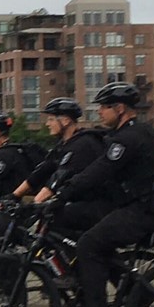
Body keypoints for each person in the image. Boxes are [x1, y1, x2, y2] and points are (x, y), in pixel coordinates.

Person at [51, 82, 154, 307]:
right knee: (101, 241)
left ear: (120, 108)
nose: (99, 113)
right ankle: (137, 297)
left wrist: (64, 193)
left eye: (103, 108)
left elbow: (100, 170)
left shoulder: (128, 138)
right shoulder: (138, 132)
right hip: (146, 205)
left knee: (88, 244)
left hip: (145, 210)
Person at [20, 97, 109, 236]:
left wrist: (35, 203)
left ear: (66, 121)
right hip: (80, 202)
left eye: (51, 119)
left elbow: (59, 178)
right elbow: (43, 170)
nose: (47, 124)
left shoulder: (83, 144)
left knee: (53, 219)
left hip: (99, 204)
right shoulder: (64, 145)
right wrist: (14, 195)